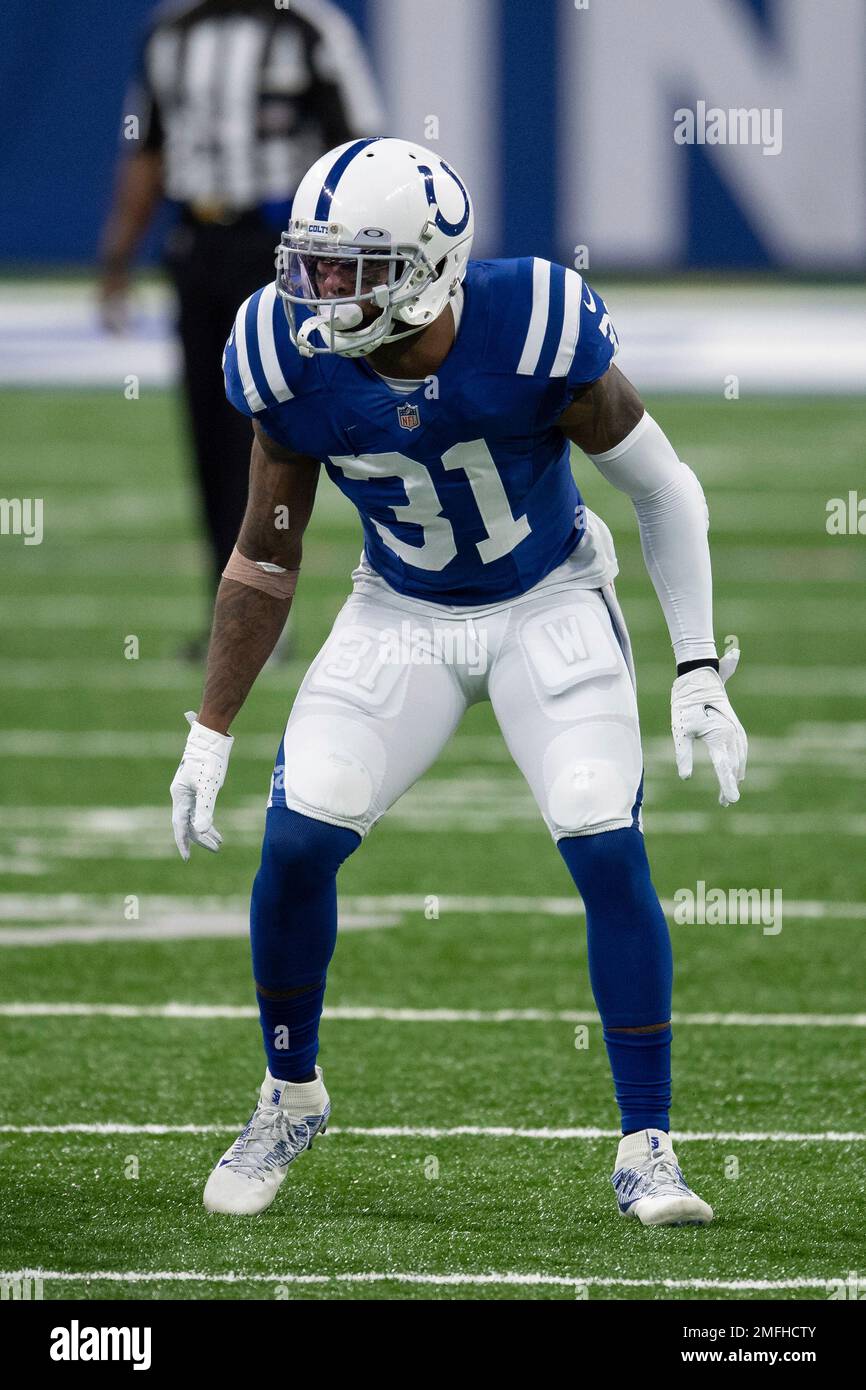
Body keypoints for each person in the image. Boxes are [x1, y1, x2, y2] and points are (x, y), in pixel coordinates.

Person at [169, 136, 748, 1224]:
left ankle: (647, 1143)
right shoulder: (284, 351)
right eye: (314, 262)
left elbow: (663, 490)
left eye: (356, 267)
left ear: (431, 266)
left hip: (548, 602)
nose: (322, 291)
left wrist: (695, 667)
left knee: (596, 825)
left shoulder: (530, 323)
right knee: (298, 835)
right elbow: (266, 549)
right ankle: (291, 1092)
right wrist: (211, 727)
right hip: (400, 609)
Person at [99, 0, 383, 652]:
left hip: (282, 246)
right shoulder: (171, 32)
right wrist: (118, 256)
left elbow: (360, 154)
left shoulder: (311, 28)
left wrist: (343, 265)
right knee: (210, 436)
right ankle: (230, 612)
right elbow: (146, 149)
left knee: (277, 433)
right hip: (197, 243)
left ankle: (303, 606)